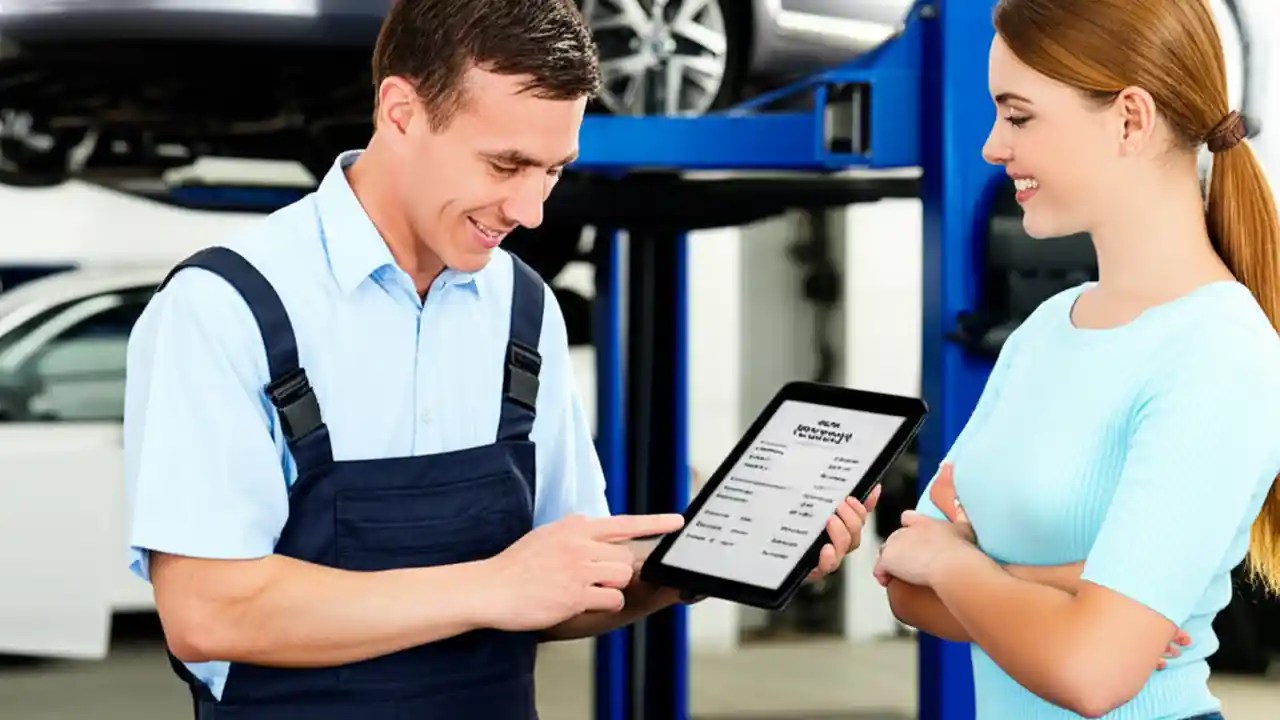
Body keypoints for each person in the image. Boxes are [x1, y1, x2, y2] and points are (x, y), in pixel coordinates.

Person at [121, 1, 877, 718]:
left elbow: (560, 590)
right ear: (401, 112)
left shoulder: (522, 307)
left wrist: (704, 563)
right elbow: (208, 612)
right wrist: (490, 587)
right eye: (504, 164)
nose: (531, 211)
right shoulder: (225, 308)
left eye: (553, 170)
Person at [872, 0, 1280, 718]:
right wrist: (1066, 593)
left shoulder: (1221, 352)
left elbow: (1091, 673)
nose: (992, 146)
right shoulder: (1045, 330)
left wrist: (957, 562)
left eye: (1019, 116)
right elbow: (906, 584)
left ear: (1130, 120)